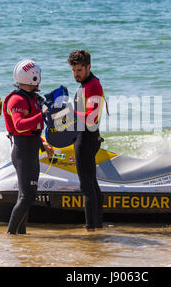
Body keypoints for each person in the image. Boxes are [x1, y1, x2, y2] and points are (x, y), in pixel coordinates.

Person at [2, 59, 54, 235]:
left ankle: (20, 237)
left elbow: (31, 130)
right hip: (23, 151)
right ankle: (11, 235)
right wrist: (42, 114)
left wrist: (43, 142)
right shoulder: (17, 100)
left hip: (30, 148)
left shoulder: (30, 97)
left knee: (24, 196)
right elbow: (20, 126)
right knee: (28, 197)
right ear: (33, 76)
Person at [68, 50, 105, 231]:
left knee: (86, 185)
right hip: (85, 135)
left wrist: (69, 114)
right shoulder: (85, 84)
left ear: (88, 67)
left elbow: (92, 116)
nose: (76, 74)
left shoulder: (93, 85)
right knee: (91, 182)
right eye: (74, 71)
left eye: (79, 70)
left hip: (88, 137)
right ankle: (97, 225)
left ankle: (91, 228)